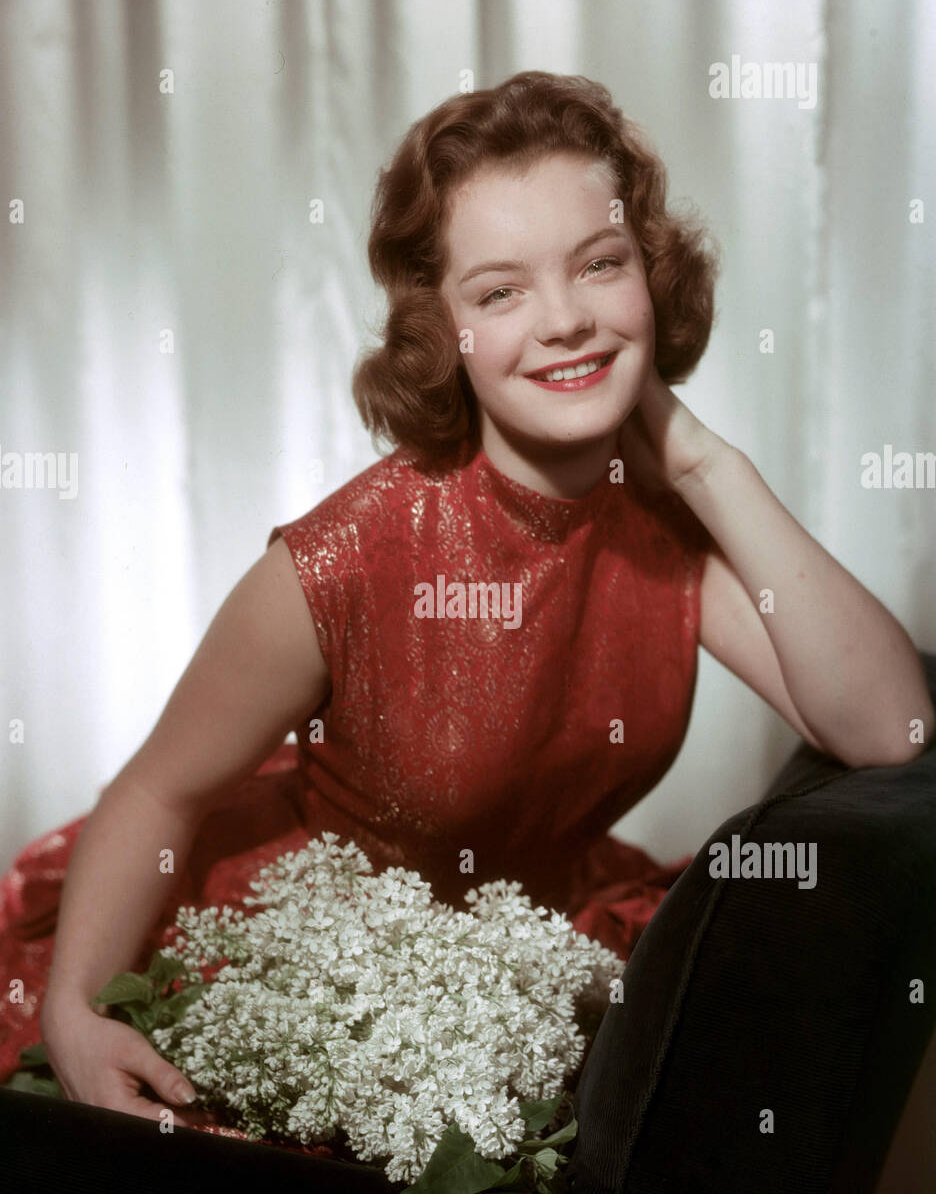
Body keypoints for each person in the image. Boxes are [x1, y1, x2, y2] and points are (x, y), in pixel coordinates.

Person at [2, 70, 931, 1134]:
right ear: (441, 332)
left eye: (601, 265)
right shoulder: (342, 560)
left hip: (520, 965)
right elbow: (158, 792)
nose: (568, 320)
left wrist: (704, 460)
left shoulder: (662, 527)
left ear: (651, 275)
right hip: (305, 968)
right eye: (500, 292)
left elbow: (890, 727)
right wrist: (72, 1011)